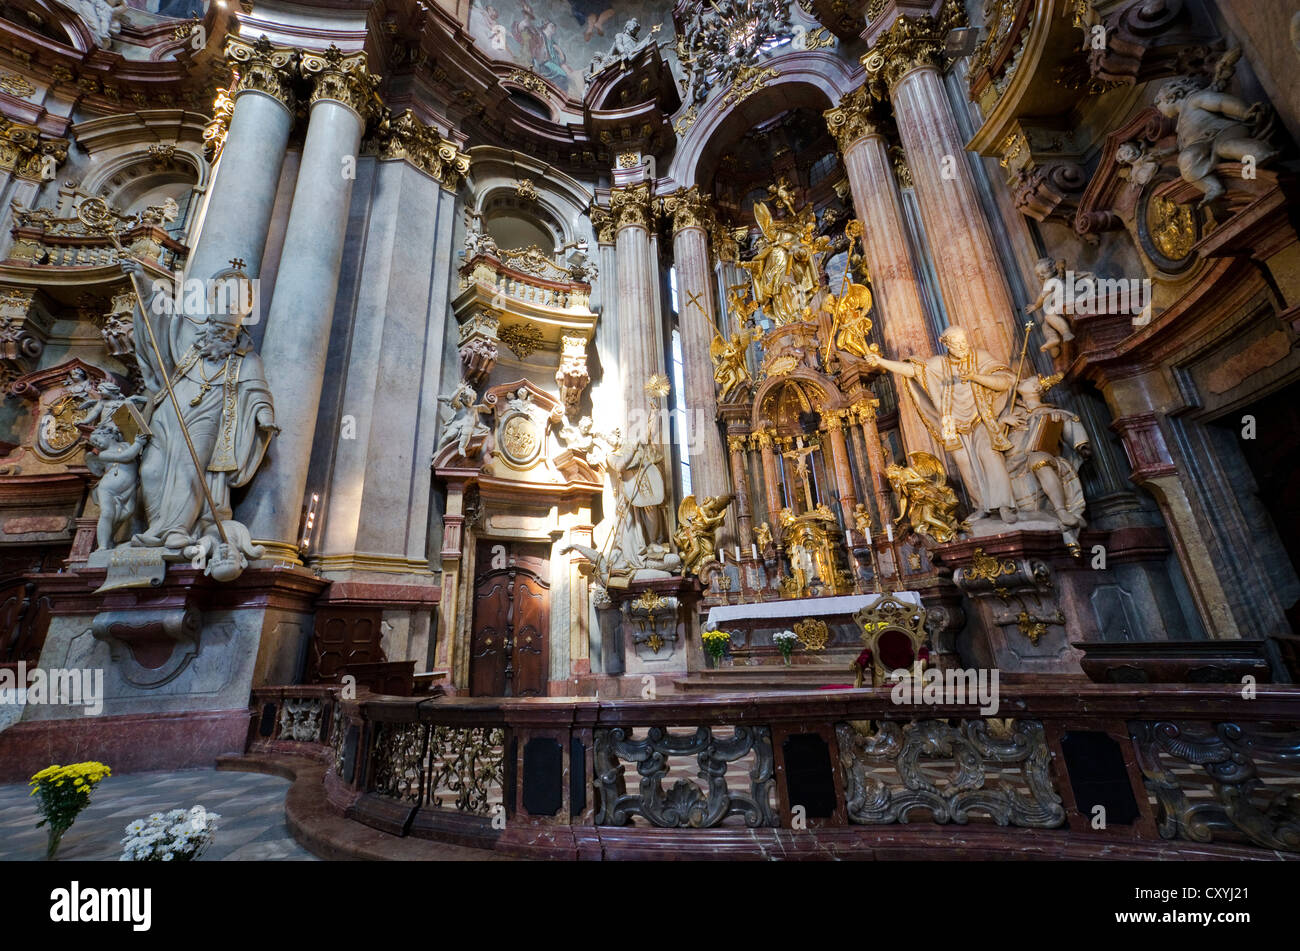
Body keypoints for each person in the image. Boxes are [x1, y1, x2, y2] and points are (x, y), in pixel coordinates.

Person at [865, 326, 1019, 523]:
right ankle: (981, 505)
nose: (963, 346)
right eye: (957, 343)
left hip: (982, 418)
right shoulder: (940, 364)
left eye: (964, 341)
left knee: (988, 453)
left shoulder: (979, 357)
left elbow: (1006, 381)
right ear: (945, 343)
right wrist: (881, 361)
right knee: (964, 464)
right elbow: (912, 370)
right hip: (953, 425)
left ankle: (1004, 505)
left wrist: (975, 377)